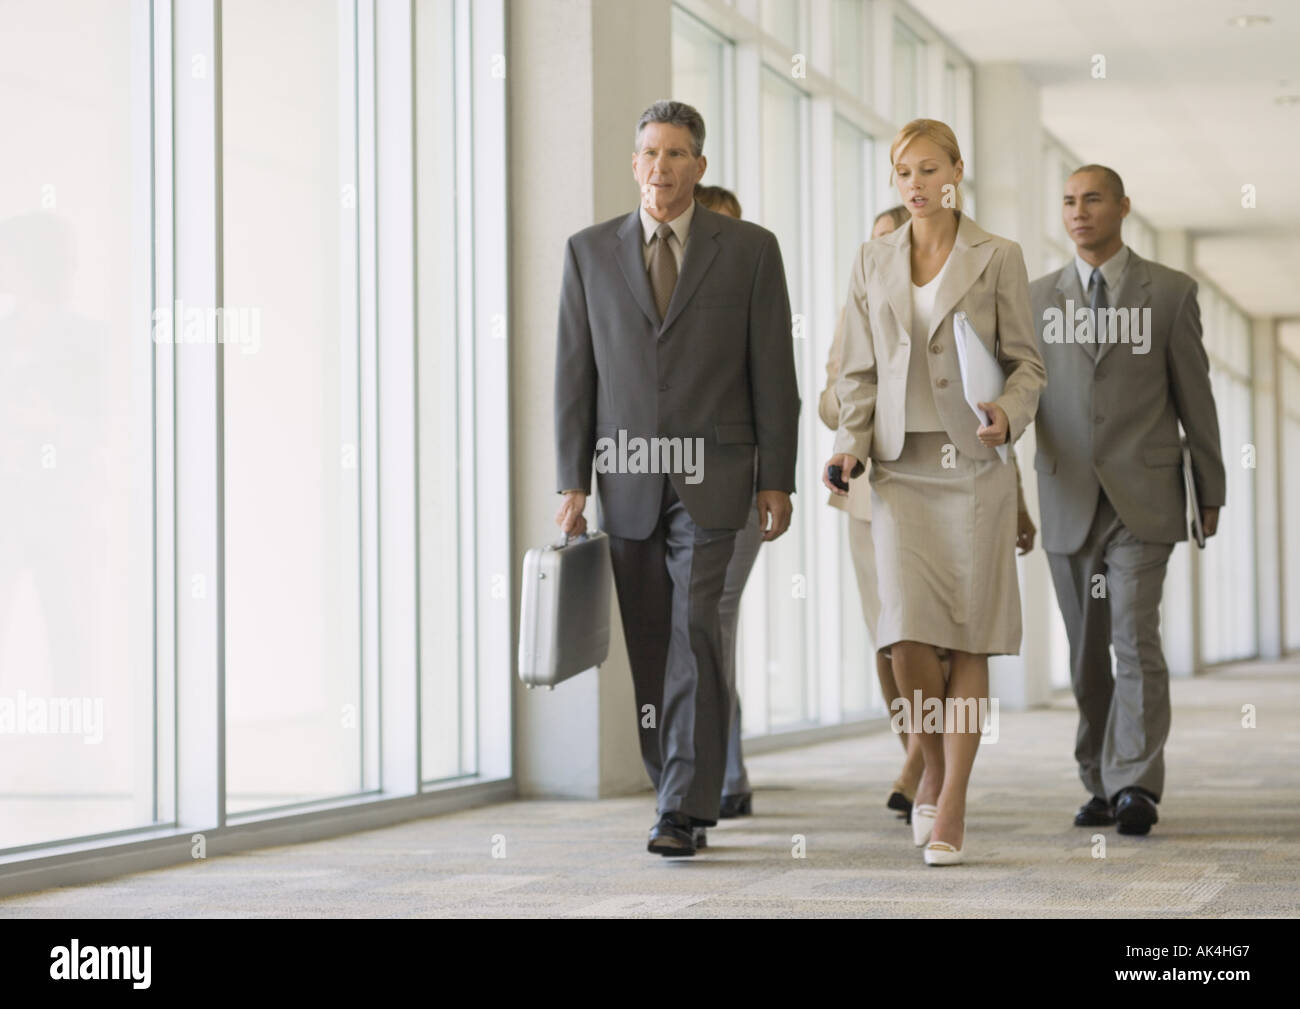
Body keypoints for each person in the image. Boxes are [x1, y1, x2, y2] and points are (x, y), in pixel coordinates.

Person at [554, 101, 800, 857]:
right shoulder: (589, 252)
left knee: (697, 630)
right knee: (652, 642)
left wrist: (777, 476)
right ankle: (673, 782)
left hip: (715, 477)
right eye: (650, 154)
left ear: (699, 165)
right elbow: (574, 374)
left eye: (676, 154)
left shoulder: (751, 249)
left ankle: (682, 808)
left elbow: (773, 372)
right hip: (625, 479)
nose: (661, 168)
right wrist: (573, 482)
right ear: (635, 164)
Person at [823, 119, 1045, 866]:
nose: (914, 184)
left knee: (971, 631)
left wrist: (1008, 413)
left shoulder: (998, 256)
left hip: (974, 467)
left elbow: (1028, 366)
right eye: (901, 172)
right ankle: (934, 758)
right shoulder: (871, 258)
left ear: (956, 170)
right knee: (906, 632)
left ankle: (950, 799)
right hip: (898, 470)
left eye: (927, 169)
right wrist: (847, 446)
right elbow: (855, 372)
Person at [1031, 164, 1225, 837]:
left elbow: (1195, 395)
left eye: (1091, 199)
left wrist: (1210, 486)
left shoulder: (1170, 293)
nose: (1078, 212)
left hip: (1143, 498)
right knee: (1086, 651)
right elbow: (1018, 395)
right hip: (1066, 496)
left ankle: (1136, 780)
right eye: (1068, 202)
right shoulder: (1034, 300)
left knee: (1133, 638)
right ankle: (1099, 776)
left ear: (1122, 207)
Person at [692, 182, 755, 820]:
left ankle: (723, 771)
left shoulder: (749, 290)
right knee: (698, 628)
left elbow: (775, 391)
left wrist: (774, 483)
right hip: (668, 483)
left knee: (715, 620)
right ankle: (717, 768)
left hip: (736, 488)